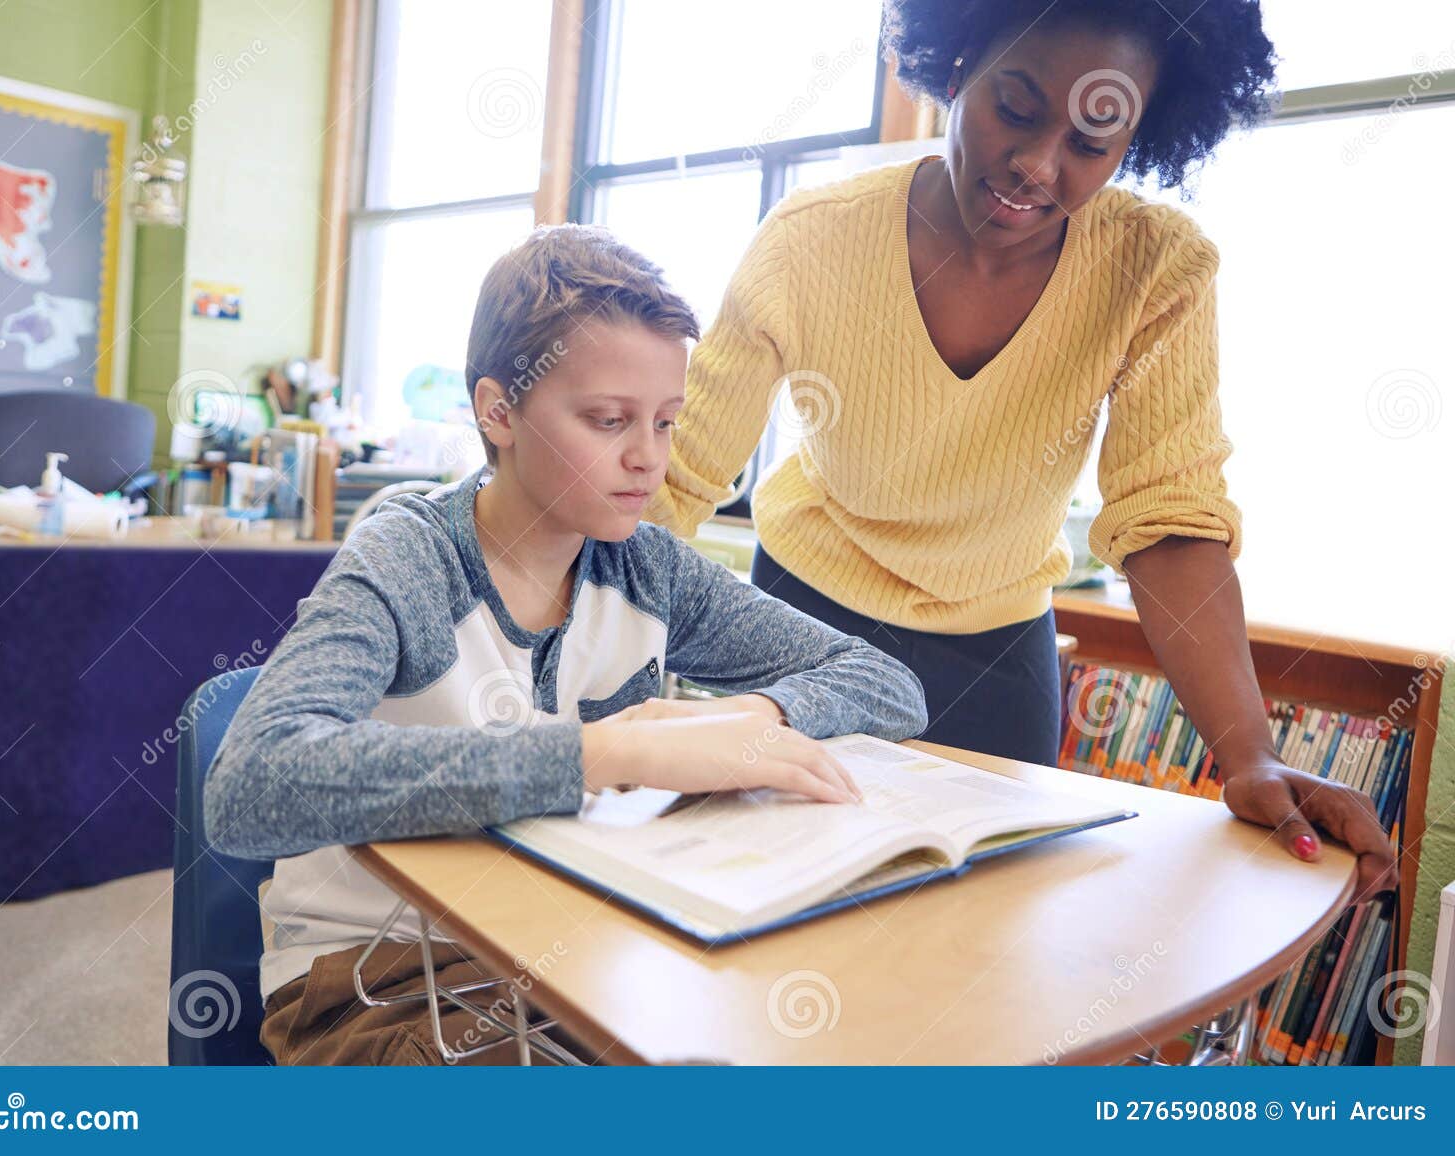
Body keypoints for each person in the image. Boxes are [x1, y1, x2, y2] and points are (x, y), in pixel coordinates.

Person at [647, 0, 1396, 905]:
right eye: (1016, 107)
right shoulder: (811, 240)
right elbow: (673, 474)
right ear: (959, 65)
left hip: (996, 662)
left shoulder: (1156, 270)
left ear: (1138, 140)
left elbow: (1167, 520)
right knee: (780, 910)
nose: (1038, 165)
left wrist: (1249, 756)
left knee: (978, 939)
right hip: (807, 631)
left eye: (1091, 141)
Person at [203, 224, 929, 1065]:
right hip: (381, 981)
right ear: (498, 410)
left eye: (666, 422)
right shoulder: (408, 556)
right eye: (608, 420)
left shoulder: (649, 569)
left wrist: (748, 719)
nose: (648, 459)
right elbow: (251, 787)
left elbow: (886, 683)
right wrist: (606, 753)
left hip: (577, 956)